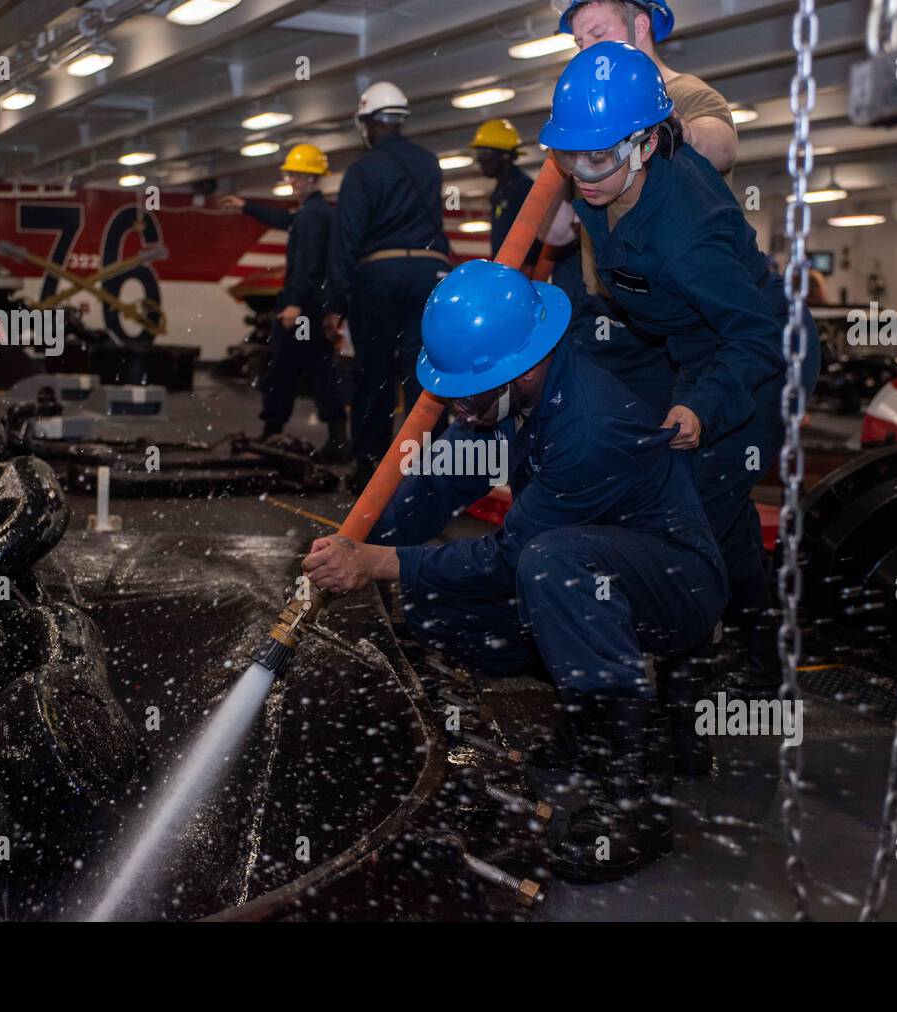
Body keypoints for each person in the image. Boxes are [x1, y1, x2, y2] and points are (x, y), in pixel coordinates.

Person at [301, 260, 728, 882]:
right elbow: (440, 477)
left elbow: (508, 559)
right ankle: (592, 725)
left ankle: (637, 800)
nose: (461, 412)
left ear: (522, 370)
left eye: (467, 398)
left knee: (548, 562)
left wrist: (377, 564)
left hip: (673, 583)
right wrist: (360, 541)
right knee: (434, 604)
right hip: (591, 572)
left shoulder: (588, 426)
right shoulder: (507, 400)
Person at [542, 42, 821, 701]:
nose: (580, 174)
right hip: (694, 348)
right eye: (568, 155)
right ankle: (761, 639)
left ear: (645, 144)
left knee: (688, 506)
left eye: (598, 156)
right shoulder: (601, 182)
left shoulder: (688, 230)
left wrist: (701, 406)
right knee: (715, 500)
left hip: (760, 358)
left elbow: (754, 338)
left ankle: (686, 673)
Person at [324, 82, 451, 492]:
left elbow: (346, 239)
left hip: (379, 277)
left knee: (375, 373)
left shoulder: (362, 171)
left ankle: (371, 467)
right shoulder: (430, 163)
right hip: (429, 274)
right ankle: (429, 467)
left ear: (367, 124)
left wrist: (334, 302)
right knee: (423, 374)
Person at [220, 144, 348, 462]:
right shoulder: (312, 212)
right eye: (290, 174)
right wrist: (246, 205)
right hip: (314, 307)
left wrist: (293, 304)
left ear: (311, 177)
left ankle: (274, 430)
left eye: (296, 175)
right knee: (315, 369)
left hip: (303, 308)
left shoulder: (313, 215)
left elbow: (308, 264)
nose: (291, 180)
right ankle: (336, 438)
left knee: (286, 369)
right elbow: (283, 219)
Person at [553, 0, 737, 175]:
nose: (585, 51)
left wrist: (681, 133)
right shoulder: (595, 110)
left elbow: (723, 151)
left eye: (598, 33)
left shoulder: (689, 94)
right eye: (579, 42)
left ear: (639, 27)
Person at [470, 118, 540, 270]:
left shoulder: (523, 188)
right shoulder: (500, 192)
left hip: (522, 272)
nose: (480, 161)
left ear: (505, 155)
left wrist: (529, 269)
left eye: (485, 154)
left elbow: (535, 236)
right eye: (478, 154)